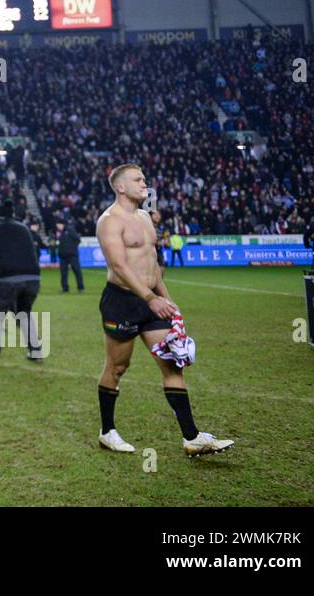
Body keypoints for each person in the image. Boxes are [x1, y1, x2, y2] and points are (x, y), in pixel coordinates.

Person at [95, 164, 233, 457]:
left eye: (144, 178)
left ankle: (192, 437)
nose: (144, 183)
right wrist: (149, 297)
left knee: (173, 364)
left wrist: (167, 299)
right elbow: (119, 266)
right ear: (120, 187)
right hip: (122, 302)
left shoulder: (145, 217)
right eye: (138, 179)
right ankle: (108, 432)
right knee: (118, 367)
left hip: (152, 302)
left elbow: (152, 262)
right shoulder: (109, 221)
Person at [0, 202, 43, 365]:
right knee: (23, 314)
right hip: (32, 280)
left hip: (7, 280)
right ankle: (36, 351)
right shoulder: (24, 228)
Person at [57, 220, 84, 293]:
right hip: (63, 256)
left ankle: (80, 287)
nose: (57, 226)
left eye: (58, 225)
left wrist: (71, 248)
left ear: (62, 224)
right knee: (63, 273)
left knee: (77, 271)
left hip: (72, 255)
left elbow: (78, 240)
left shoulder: (70, 230)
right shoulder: (61, 232)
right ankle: (65, 288)